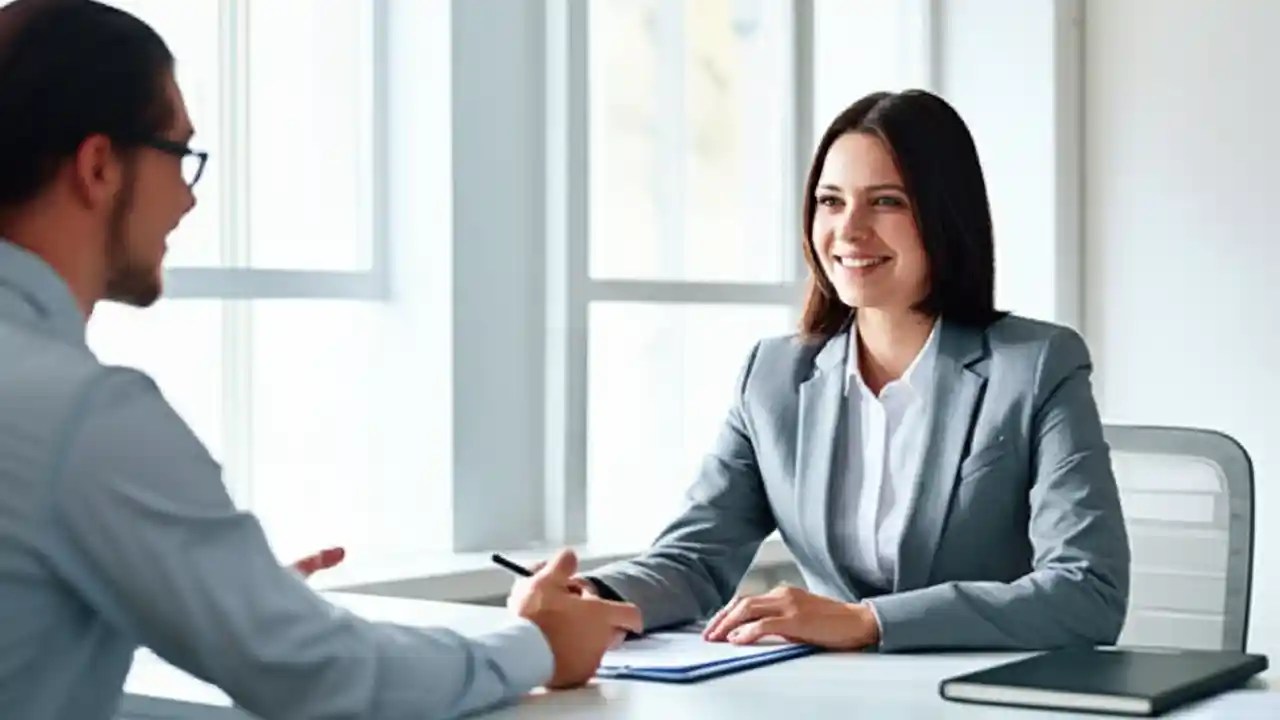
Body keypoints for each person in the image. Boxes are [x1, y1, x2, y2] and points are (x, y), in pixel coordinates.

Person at [0, 2, 639, 718]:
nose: (186, 198)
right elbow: (324, 677)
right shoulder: (85, 418)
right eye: (180, 153)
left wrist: (223, 595)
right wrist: (537, 643)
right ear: (97, 166)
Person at [536, 89, 1131, 653]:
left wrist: (867, 623)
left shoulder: (1036, 366)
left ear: (945, 215)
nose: (848, 230)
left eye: (887, 201)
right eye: (831, 201)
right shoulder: (773, 375)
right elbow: (696, 557)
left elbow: (1088, 593)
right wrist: (594, 597)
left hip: (980, 693)